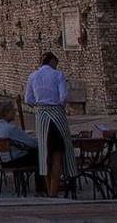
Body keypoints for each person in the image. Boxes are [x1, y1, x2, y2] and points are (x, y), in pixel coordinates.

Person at [24, 51, 75, 197]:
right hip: (56, 114)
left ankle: (49, 190)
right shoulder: (57, 74)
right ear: (52, 61)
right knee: (58, 154)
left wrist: (40, 106)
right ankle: (53, 191)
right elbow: (64, 96)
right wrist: (58, 105)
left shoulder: (32, 76)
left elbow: (28, 99)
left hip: (41, 116)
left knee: (44, 154)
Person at [0, 100, 39, 172]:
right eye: (13, 110)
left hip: (3, 160)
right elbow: (32, 143)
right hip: (17, 160)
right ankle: (42, 182)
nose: (15, 112)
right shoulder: (11, 128)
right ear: (7, 112)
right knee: (41, 156)